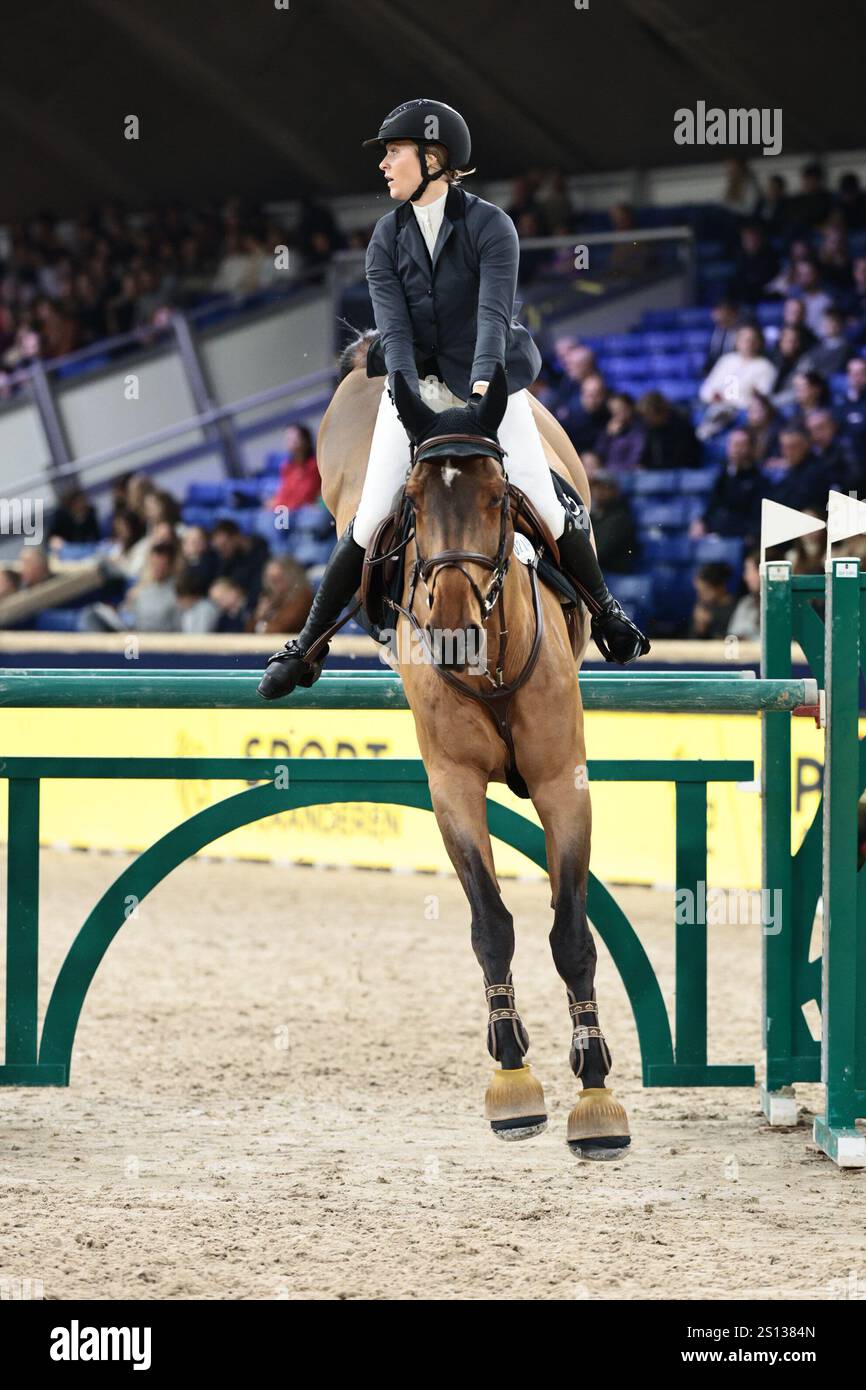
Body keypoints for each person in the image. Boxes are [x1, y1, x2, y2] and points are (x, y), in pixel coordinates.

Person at [259, 99, 649, 699]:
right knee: (367, 521)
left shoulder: (492, 226)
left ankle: (606, 613)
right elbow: (392, 329)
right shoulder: (384, 239)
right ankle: (308, 644)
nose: (385, 165)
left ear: (433, 158)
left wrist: (485, 390)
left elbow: (494, 316)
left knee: (543, 499)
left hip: (488, 383)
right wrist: (409, 396)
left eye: (394, 152)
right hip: (413, 385)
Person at [689, 429, 765, 546]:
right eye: (732, 444)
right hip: (714, 534)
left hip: (736, 538)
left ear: (751, 448)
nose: (736, 449)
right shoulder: (723, 475)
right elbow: (713, 505)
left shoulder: (759, 481)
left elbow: (755, 521)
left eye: (741, 445)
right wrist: (701, 522)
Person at [637, 391, 700, 470]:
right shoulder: (651, 429)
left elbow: (683, 459)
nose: (646, 420)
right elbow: (646, 457)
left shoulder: (682, 427)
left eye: (648, 416)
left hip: (680, 473)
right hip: (658, 474)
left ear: (660, 412)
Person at [267, 424, 322, 513]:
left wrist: (279, 506)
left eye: (294, 438)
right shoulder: (286, 467)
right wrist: (276, 504)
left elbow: (305, 497)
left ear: (305, 441)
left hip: (300, 512)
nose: (290, 442)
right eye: (287, 439)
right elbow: (283, 493)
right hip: (285, 511)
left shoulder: (314, 466)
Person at [594, 391, 646, 475]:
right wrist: (607, 435)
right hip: (608, 474)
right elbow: (599, 454)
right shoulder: (608, 430)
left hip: (627, 475)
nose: (618, 413)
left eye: (622, 409)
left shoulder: (638, 431)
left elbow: (635, 458)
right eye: (615, 410)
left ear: (630, 408)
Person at [690, 563, 736, 639]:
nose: (700, 595)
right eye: (698, 591)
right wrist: (700, 628)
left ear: (720, 587)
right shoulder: (702, 607)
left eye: (705, 591)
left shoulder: (738, 608)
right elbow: (691, 641)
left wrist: (712, 621)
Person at [727, 549, 761, 641]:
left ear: (762, 573)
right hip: (746, 654)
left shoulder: (783, 606)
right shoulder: (746, 603)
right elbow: (732, 638)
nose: (746, 577)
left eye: (749, 571)